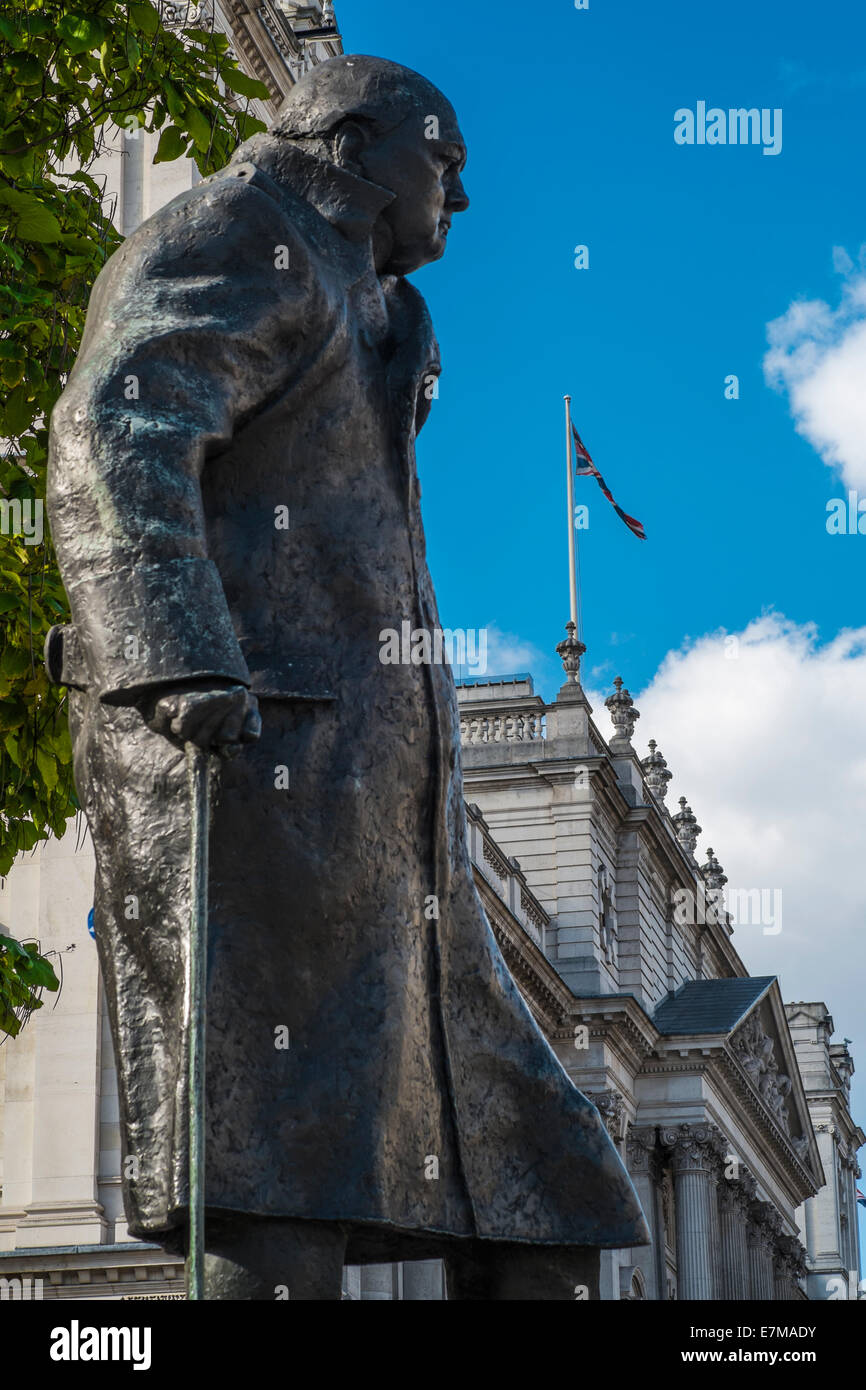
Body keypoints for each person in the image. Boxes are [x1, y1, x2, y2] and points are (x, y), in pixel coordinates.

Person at [46, 55, 648, 1299]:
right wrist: (176, 653)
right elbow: (116, 428)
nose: (462, 204)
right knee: (273, 1157)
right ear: (356, 145)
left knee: (546, 1180)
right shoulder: (238, 229)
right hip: (248, 751)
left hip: (382, 803)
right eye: (447, 166)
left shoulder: (376, 302)